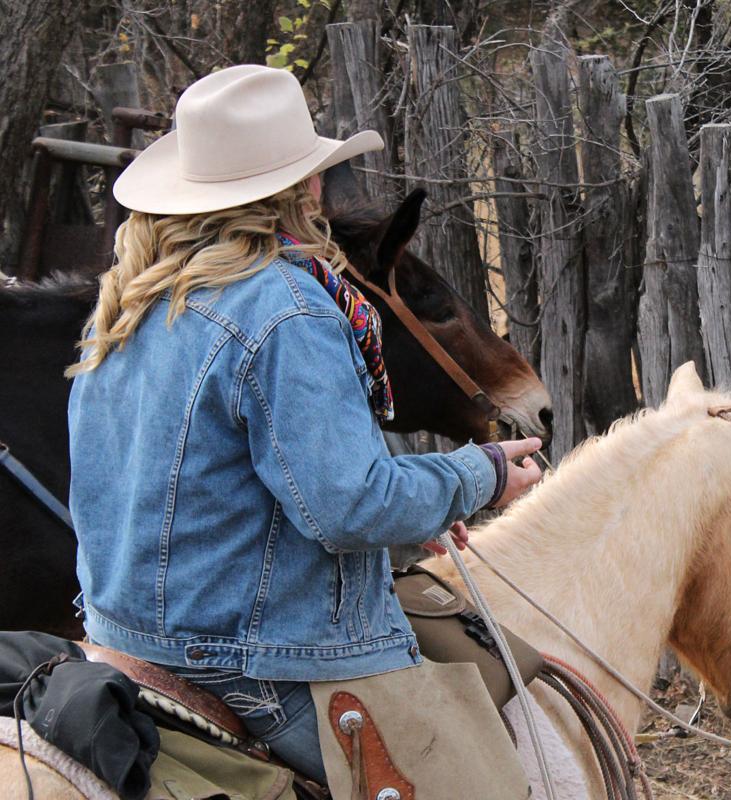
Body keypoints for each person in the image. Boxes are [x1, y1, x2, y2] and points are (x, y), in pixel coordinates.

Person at [66, 65, 542, 783]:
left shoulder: (129, 306)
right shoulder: (287, 307)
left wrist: (417, 512)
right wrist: (484, 473)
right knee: (495, 785)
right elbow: (349, 504)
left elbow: (213, 491)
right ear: (305, 188)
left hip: (126, 645)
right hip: (266, 669)